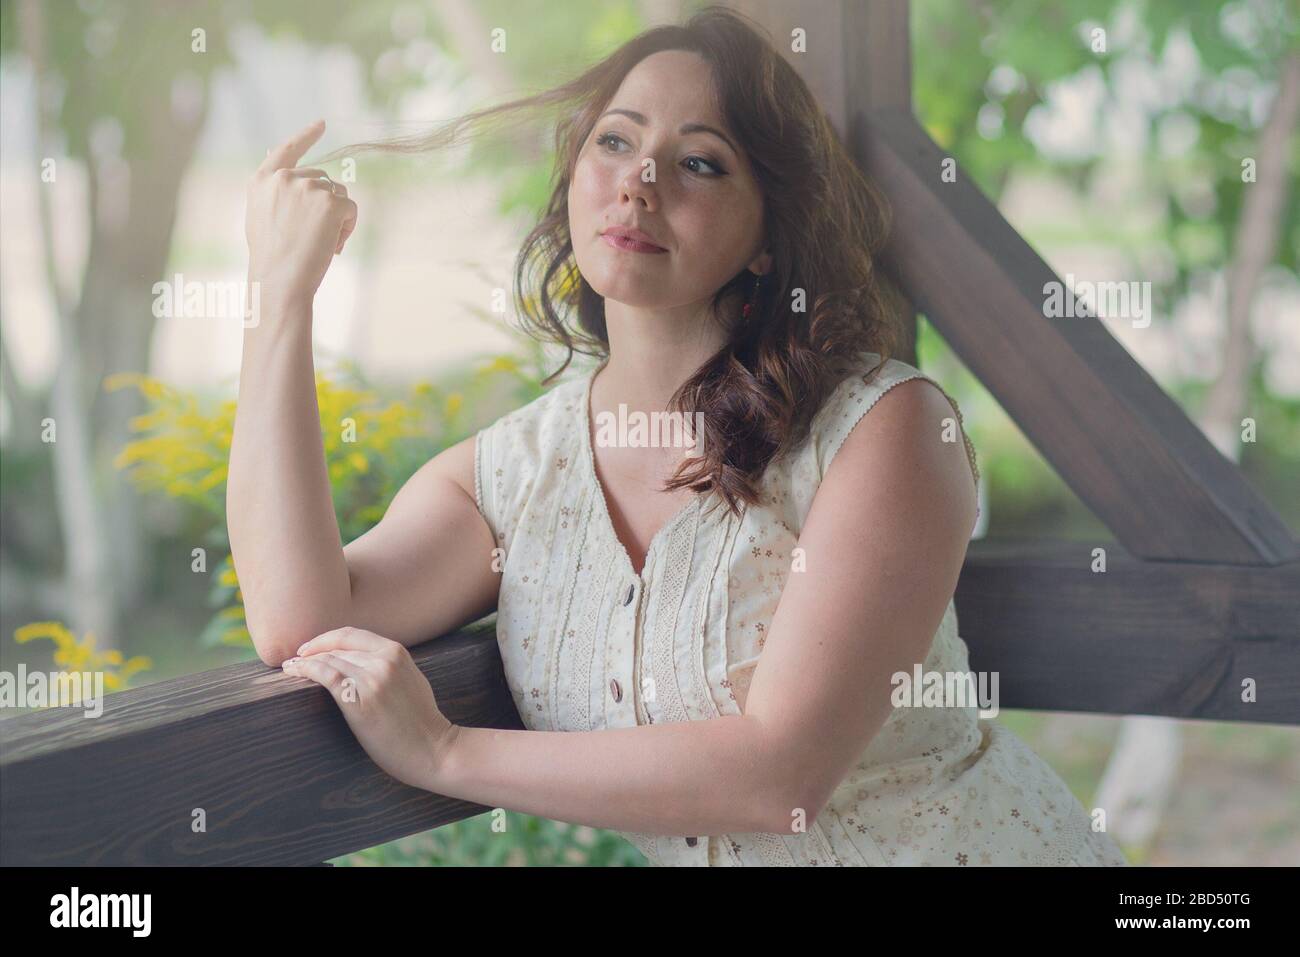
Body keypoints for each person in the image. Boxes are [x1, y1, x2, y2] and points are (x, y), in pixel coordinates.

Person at [228, 6, 1128, 867]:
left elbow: (782, 775)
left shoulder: (882, 431)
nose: (639, 181)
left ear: (767, 238)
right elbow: (303, 616)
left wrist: (444, 752)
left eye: (700, 164)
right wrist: (279, 296)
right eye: (615, 141)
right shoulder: (516, 473)